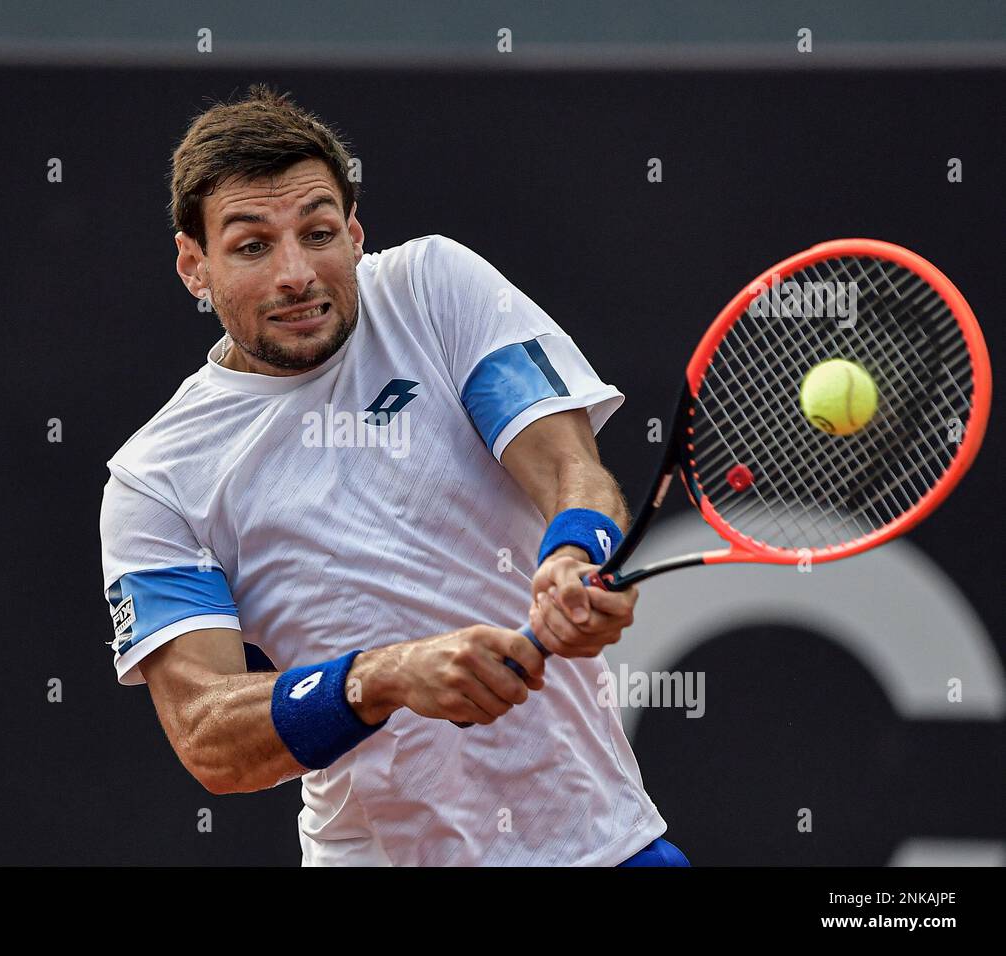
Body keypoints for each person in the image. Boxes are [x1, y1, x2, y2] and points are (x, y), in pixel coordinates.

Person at [99, 84, 685, 866]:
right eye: (251, 246)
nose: (296, 274)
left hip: (603, 843)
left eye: (318, 232)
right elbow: (210, 738)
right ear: (192, 266)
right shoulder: (156, 479)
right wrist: (378, 680)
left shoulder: (431, 288)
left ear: (355, 233)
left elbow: (570, 467)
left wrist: (574, 555)